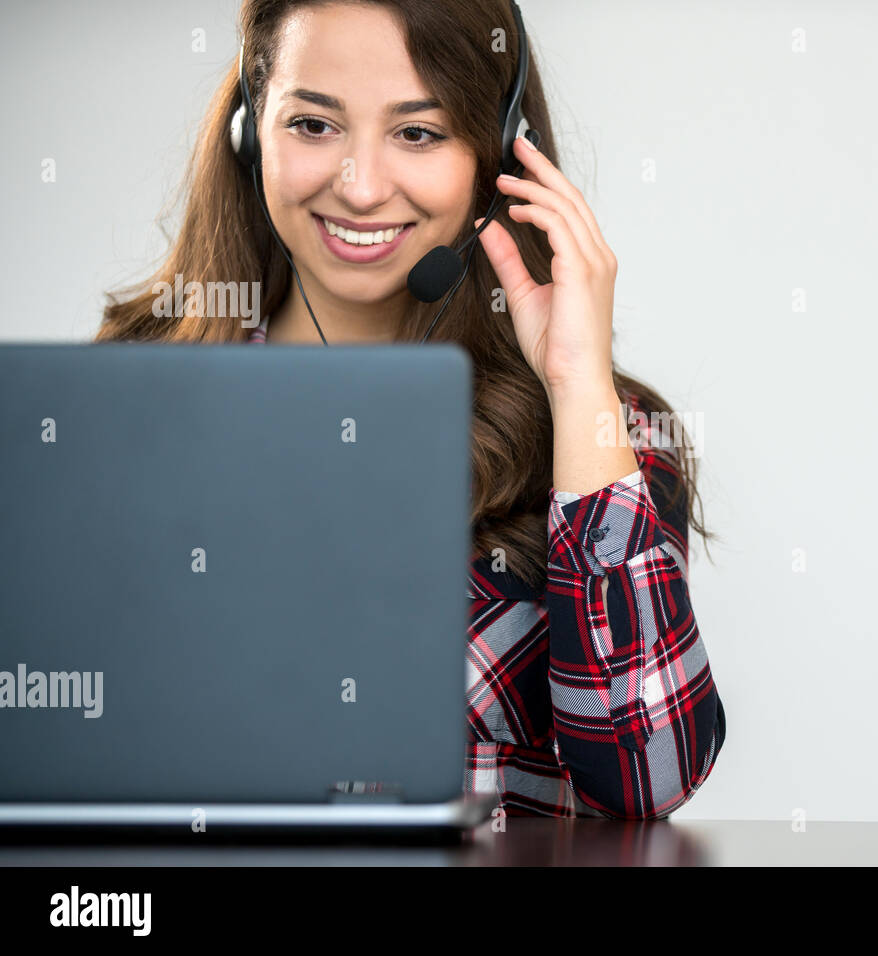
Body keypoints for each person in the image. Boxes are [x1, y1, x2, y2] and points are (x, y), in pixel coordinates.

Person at [96, 0, 725, 820]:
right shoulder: (130, 396)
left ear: (497, 156)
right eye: (314, 125)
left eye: (417, 133)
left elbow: (650, 776)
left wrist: (575, 386)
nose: (359, 187)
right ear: (253, 130)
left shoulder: (609, 431)